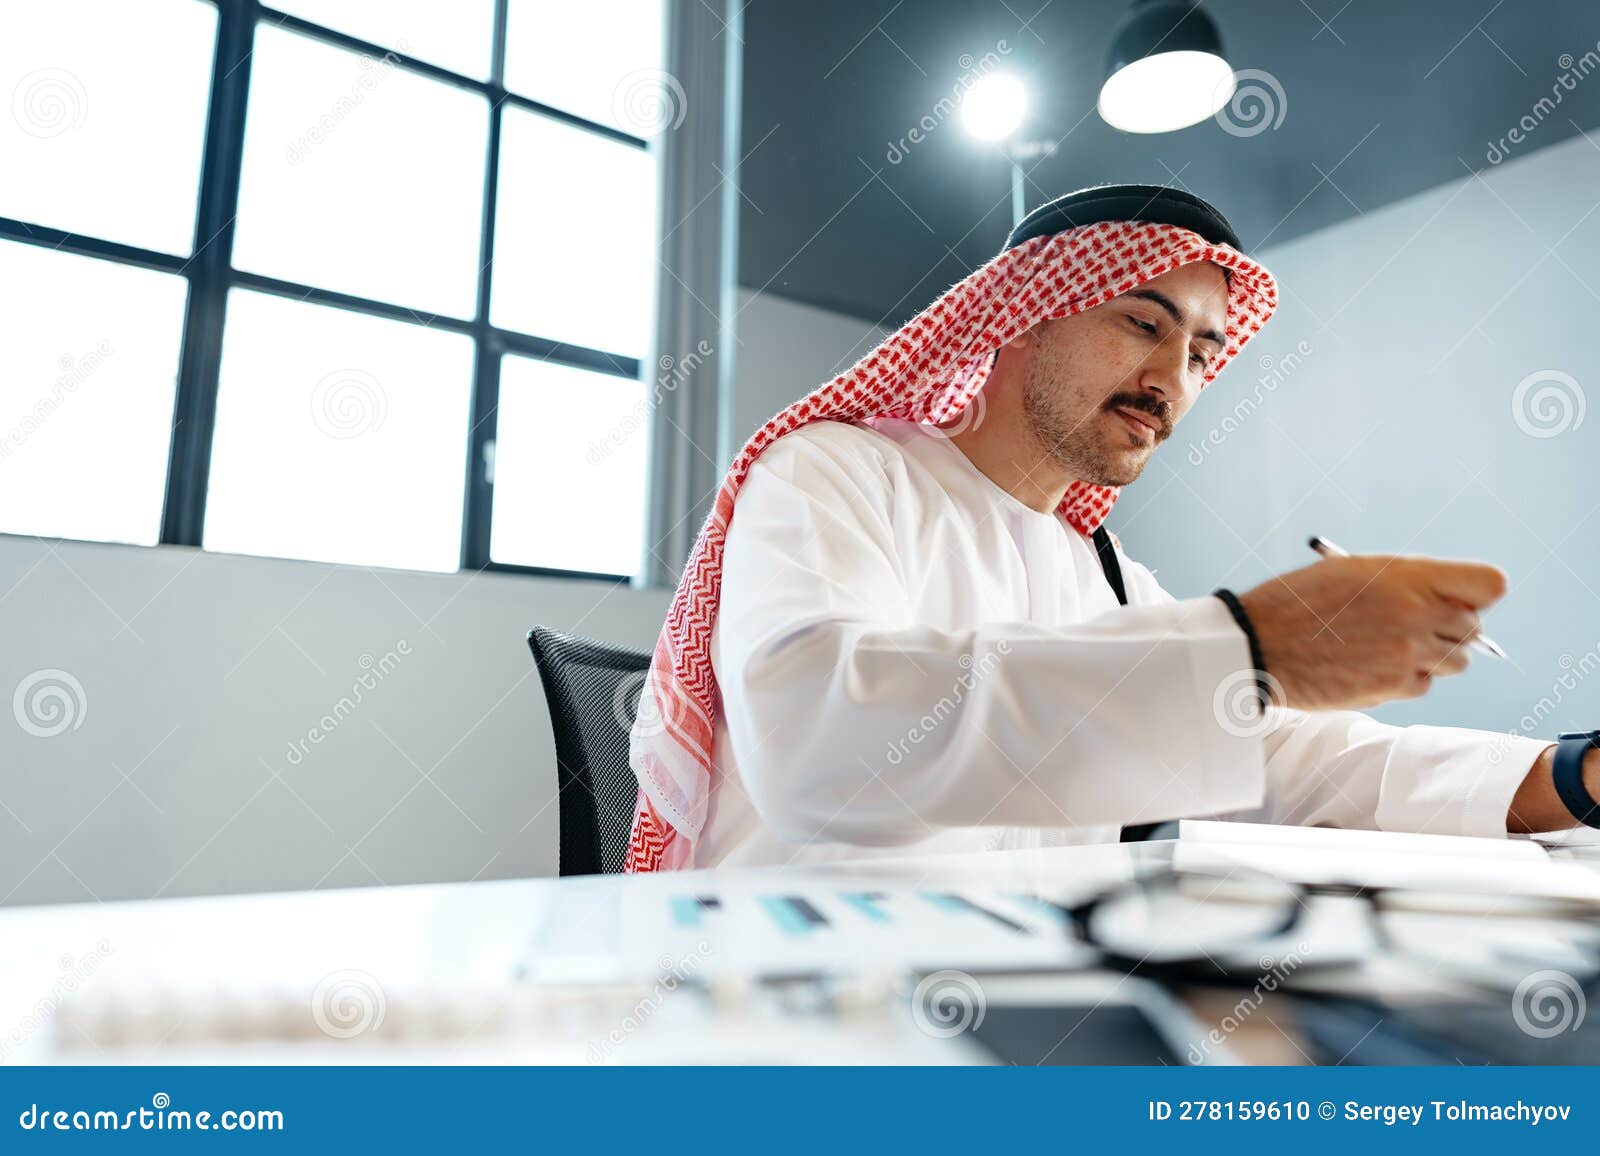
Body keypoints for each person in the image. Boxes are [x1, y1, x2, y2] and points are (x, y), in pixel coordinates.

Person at [622, 184, 1599, 871]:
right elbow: (817, 744)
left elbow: (1307, 761)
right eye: (1143, 323)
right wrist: (1249, 644)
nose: (1174, 380)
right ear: (1022, 312)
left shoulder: (1108, 574)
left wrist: (1572, 775)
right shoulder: (833, 476)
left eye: (1203, 353)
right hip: (796, 1015)